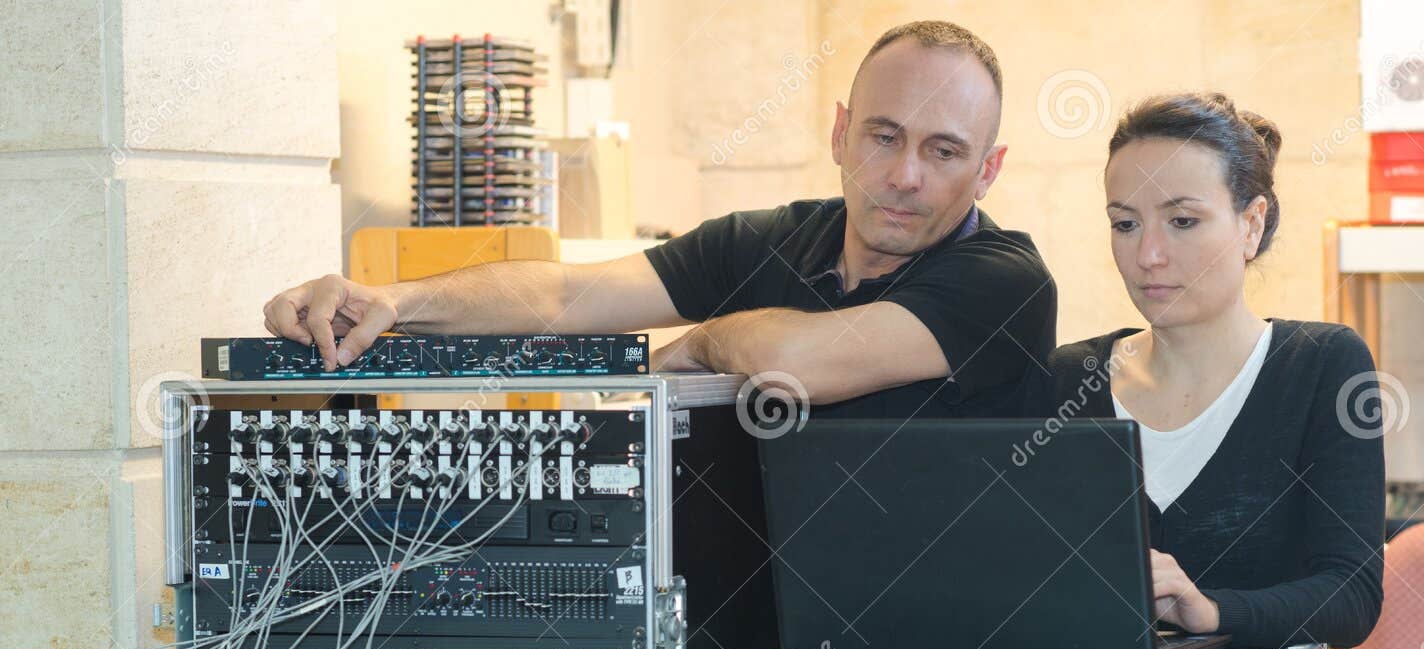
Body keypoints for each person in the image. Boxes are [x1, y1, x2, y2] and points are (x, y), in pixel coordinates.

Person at [262, 20, 1055, 419]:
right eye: (884, 137)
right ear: (841, 133)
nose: (906, 175)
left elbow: (801, 360)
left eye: (944, 151)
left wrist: (705, 342)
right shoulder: (766, 241)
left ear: (988, 170)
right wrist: (393, 300)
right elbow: (562, 294)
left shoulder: (1005, 282)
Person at [1023, 92, 1384, 649]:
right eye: (1125, 224)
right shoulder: (1068, 379)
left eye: (1183, 221)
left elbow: (1351, 596)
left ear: (1251, 225)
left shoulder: (1321, 365)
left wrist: (1212, 612)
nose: (1149, 255)